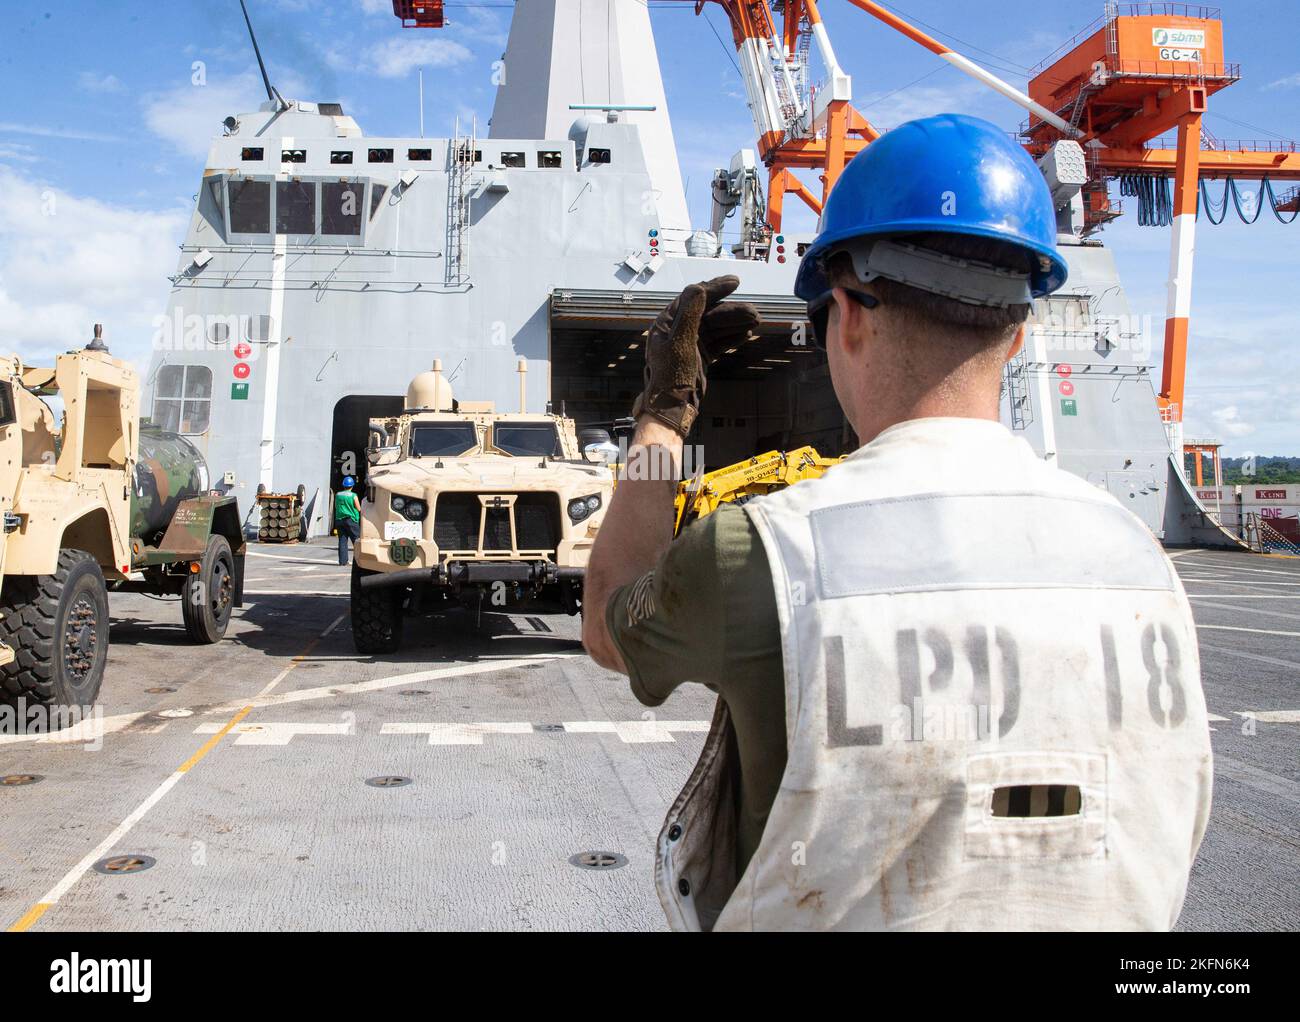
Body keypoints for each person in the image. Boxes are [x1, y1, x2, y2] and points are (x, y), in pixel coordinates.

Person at [582, 113, 1212, 932]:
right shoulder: (1140, 564)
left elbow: (606, 617)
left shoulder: (764, 554)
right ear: (1018, 334)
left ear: (847, 316)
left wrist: (663, 417)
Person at [334, 476, 361, 565]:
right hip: (351, 520)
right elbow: (358, 508)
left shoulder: (338, 494)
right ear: (352, 486)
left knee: (342, 540)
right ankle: (359, 561)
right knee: (357, 541)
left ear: (343, 485)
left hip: (339, 520)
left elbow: (336, 506)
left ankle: (343, 561)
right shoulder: (353, 495)